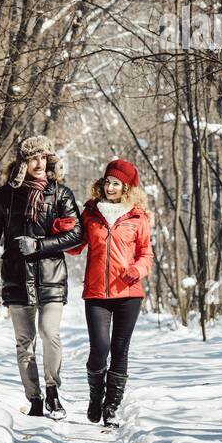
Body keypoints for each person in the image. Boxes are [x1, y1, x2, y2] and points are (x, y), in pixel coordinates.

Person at [33, 158, 152, 426]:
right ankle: (95, 396)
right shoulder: (90, 213)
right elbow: (76, 246)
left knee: (120, 350)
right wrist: (60, 228)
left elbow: (146, 252)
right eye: (107, 182)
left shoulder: (137, 216)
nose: (110, 188)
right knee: (100, 348)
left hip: (129, 293)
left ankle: (111, 407)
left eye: (116, 184)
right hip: (97, 293)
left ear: (127, 188)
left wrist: (138, 269)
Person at [0, 135, 81, 418]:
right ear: (22, 162)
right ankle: (34, 398)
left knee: (49, 332)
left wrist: (40, 245)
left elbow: (76, 234)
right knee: (25, 342)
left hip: (51, 277)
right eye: (33, 158)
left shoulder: (60, 194)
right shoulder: (4, 196)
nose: (39, 163)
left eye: (43, 158)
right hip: (16, 276)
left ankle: (53, 392)